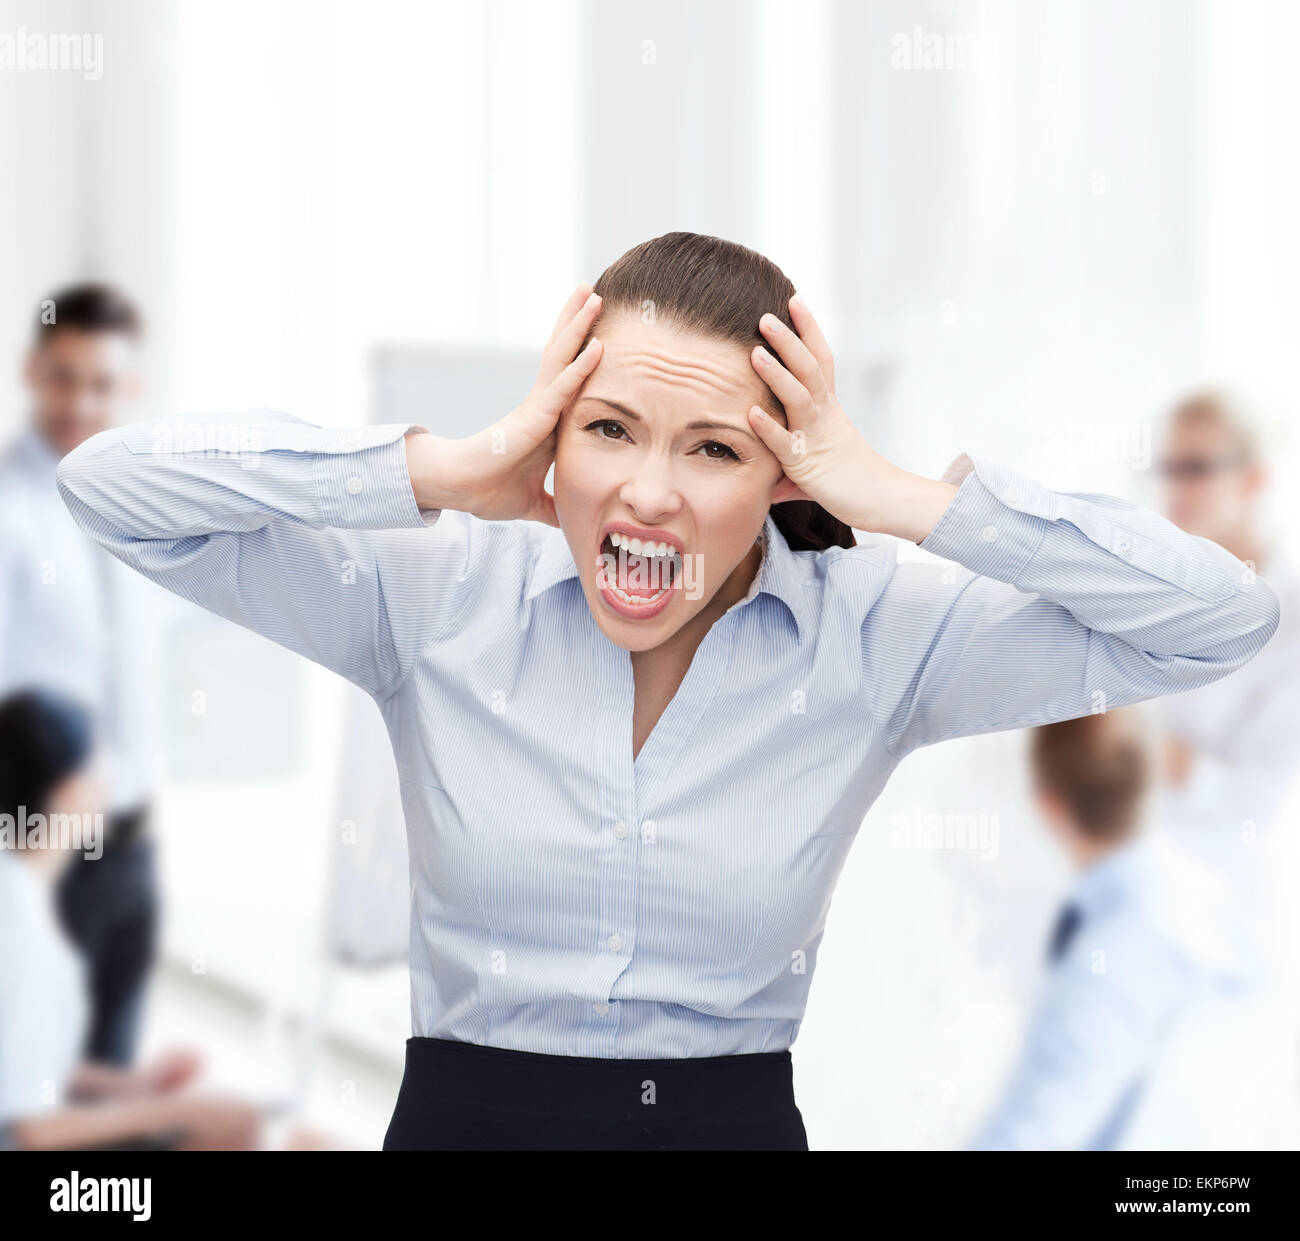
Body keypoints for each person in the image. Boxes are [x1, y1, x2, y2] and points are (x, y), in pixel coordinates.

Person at [55, 232, 1280, 1151]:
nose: (647, 493)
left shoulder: (879, 637)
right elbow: (113, 489)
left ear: (782, 475)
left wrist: (903, 496)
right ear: (553, 434)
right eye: (607, 428)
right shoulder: (435, 589)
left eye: (713, 448)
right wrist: (445, 464)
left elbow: (1219, 619)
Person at [971, 710, 1291, 1150]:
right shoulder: (1215, 911)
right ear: (1152, 775)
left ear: (1050, 807)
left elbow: (1028, 1136)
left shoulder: (1111, 962)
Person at [0, 284, 160, 1066]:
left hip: (130, 849)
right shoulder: (7, 509)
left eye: (102, 383)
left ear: (128, 390)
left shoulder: (138, 513)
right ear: (35, 370)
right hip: (40, 849)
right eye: (65, 377)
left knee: (109, 1096)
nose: (81, 400)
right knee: (31, 1094)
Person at [0, 690, 261, 1151]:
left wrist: (131, 1087)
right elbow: (29, 1130)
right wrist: (177, 1112)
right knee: (231, 1136)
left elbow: (20, 1066)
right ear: (71, 791)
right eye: (99, 765)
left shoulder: (18, 891)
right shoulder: (21, 932)